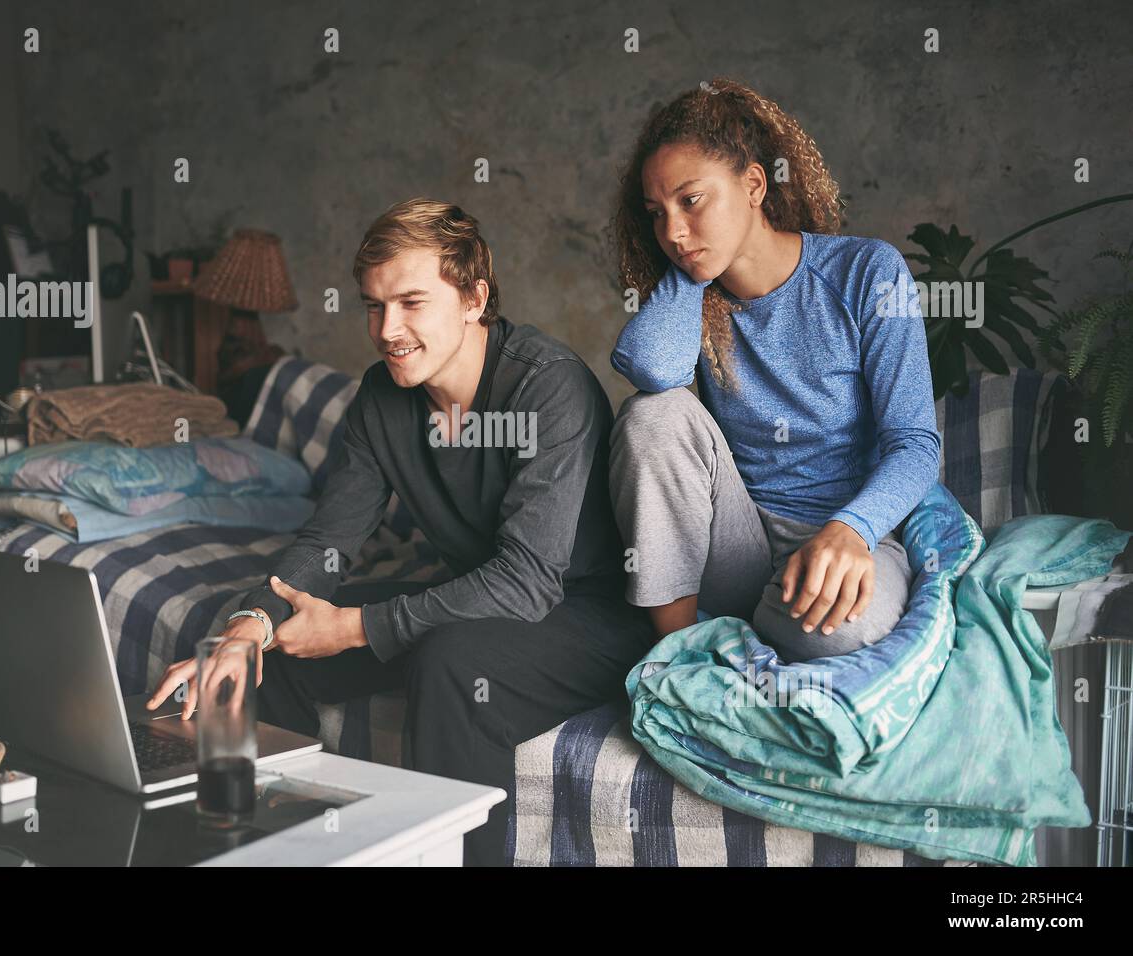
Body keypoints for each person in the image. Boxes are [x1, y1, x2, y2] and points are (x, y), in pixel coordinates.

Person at [148, 198, 653, 866]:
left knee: (455, 659)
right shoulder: (381, 399)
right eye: (373, 306)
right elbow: (328, 542)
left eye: (412, 303)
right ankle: (281, 852)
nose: (388, 330)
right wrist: (252, 625)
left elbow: (527, 584)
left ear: (474, 297)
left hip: (588, 617)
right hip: (475, 600)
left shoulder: (548, 388)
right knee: (267, 647)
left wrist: (356, 627)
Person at [607, 78, 942, 663]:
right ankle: (677, 657)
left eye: (691, 201)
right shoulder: (695, 293)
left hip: (839, 534)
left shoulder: (866, 272)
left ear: (754, 184)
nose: (673, 232)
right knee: (652, 416)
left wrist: (854, 529)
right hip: (733, 542)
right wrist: (694, 271)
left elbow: (915, 443)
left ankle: (761, 630)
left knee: (838, 633)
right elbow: (651, 369)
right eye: (657, 214)